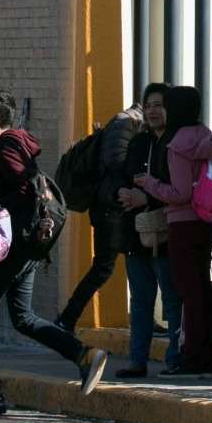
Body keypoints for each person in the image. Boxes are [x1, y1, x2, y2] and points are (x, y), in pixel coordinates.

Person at [0, 89, 109, 414]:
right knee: (23, 317)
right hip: (31, 246)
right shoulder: (20, 142)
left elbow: (23, 187)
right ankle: (84, 355)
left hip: (12, 246)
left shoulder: (6, 145)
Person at [133, 85, 212, 377]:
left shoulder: (177, 144)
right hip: (207, 222)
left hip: (183, 223)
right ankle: (207, 358)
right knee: (202, 294)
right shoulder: (203, 136)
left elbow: (180, 192)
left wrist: (149, 184)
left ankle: (192, 359)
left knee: (189, 295)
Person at [113, 83, 182, 378]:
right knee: (140, 301)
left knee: (172, 298)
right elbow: (124, 174)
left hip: (167, 233)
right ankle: (136, 360)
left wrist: (148, 197)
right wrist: (125, 194)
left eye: (160, 104)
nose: (153, 110)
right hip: (136, 232)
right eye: (149, 104)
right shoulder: (139, 142)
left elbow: (180, 187)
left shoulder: (179, 142)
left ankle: (174, 358)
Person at [56, 95, 140, 333]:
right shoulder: (127, 123)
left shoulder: (130, 122)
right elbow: (116, 161)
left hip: (116, 208)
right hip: (111, 209)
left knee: (130, 264)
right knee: (103, 267)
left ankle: (68, 317)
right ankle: (67, 318)